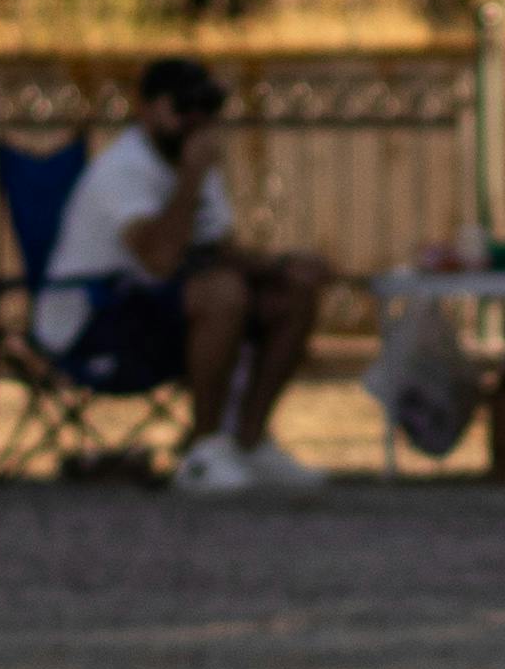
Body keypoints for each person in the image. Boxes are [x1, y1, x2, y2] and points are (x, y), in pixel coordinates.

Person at [40, 57, 337, 495]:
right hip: (95, 322)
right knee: (222, 294)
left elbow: (216, 248)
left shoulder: (193, 159)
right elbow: (161, 259)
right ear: (146, 109)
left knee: (291, 294)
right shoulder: (122, 169)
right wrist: (192, 176)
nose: (197, 118)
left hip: (159, 312)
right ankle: (203, 449)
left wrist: (283, 266)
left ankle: (249, 443)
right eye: (183, 106)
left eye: (208, 106)